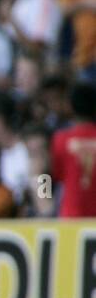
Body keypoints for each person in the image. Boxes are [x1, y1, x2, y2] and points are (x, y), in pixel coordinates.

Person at [50, 80, 96, 216]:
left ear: (70, 106)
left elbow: (48, 175)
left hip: (71, 217)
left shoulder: (60, 140)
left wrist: (43, 196)